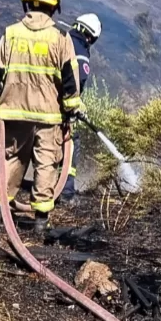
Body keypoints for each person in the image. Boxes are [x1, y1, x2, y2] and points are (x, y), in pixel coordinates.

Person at [0, 0, 85, 233]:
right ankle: (40, 223)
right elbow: (70, 80)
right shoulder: (61, 38)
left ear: (27, 4)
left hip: (13, 113)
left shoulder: (11, 34)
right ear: (54, 7)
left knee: (11, 160)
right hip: (49, 117)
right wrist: (72, 108)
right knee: (46, 164)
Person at [59, 13, 101, 204]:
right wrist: (75, 105)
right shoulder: (81, 51)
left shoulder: (62, 39)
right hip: (59, 109)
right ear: (90, 37)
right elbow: (78, 82)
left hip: (38, 103)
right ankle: (66, 192)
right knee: (71, 142)